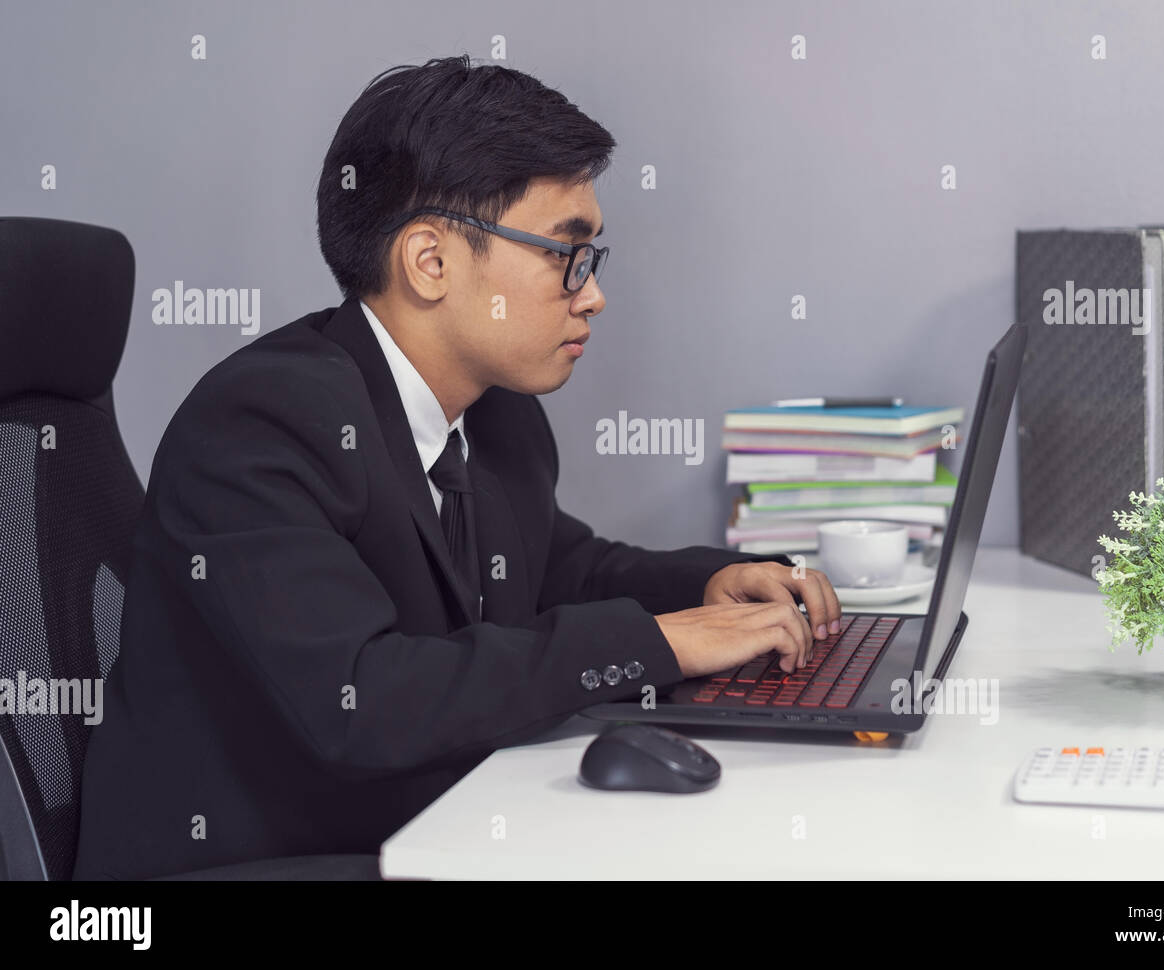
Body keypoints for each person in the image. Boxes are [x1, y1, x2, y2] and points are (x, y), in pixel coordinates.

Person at [73, 54, 841, 880]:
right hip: (249, 863)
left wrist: (716, 587)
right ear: (430, 261)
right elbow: (363, 697)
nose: (593, 294)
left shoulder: (499, 412)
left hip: (425, 824)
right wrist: (659, 642)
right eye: (563, 255)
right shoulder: (259, 424)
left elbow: (558, 568)